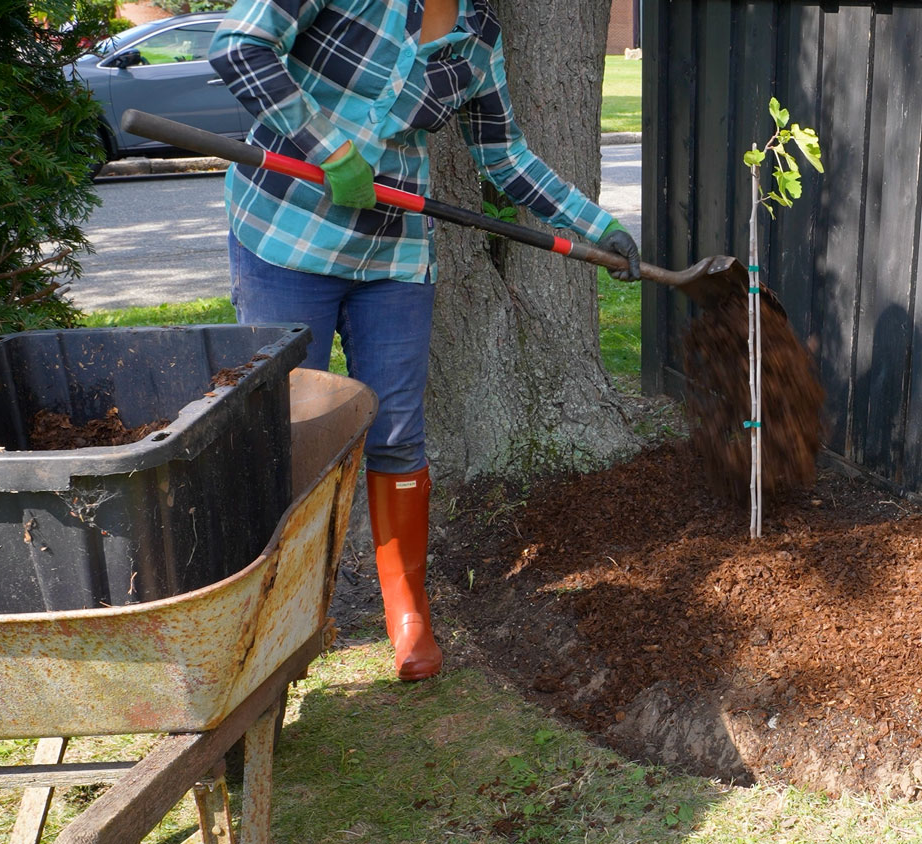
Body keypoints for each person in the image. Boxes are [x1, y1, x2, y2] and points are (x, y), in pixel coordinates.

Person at [209, 0, 640, 682]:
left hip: (394, 257)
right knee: (283, 436)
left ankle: (407, 611)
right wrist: (330, 149)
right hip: (285, 237)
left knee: (399, 434)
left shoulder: (478, 39)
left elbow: (503, 156)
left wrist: (594, 226)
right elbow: (238, 46)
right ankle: (277, 621)